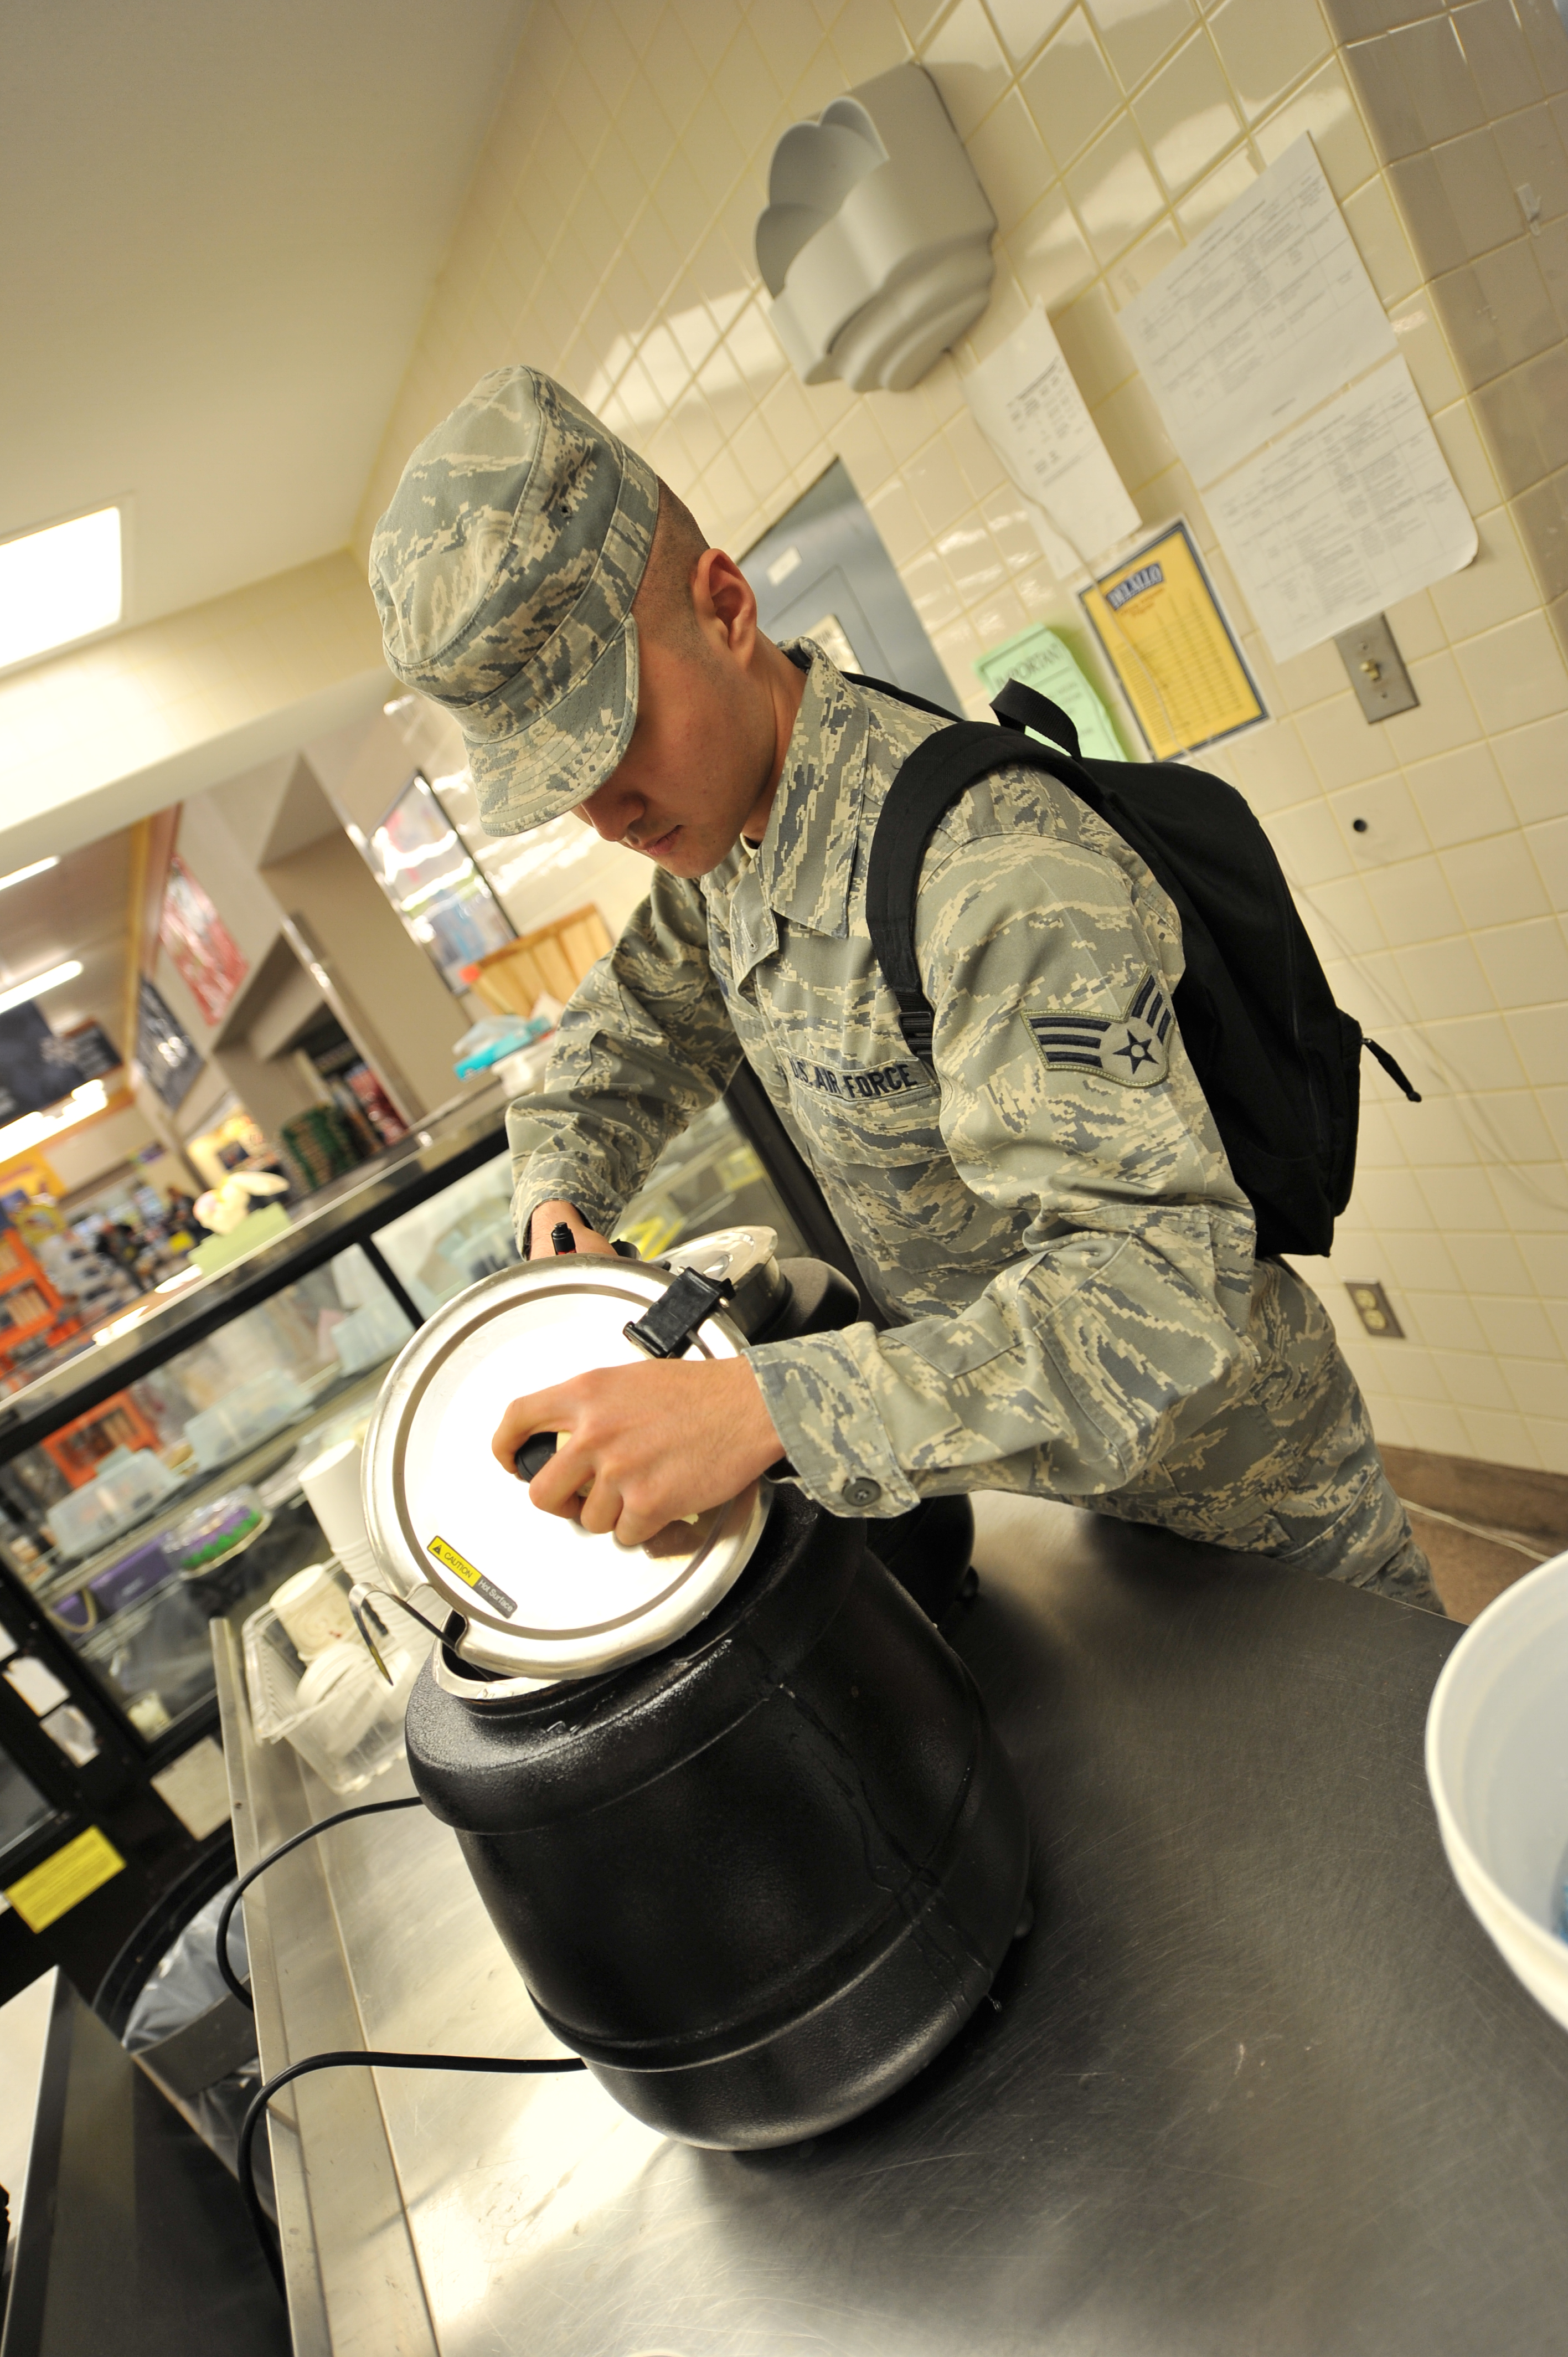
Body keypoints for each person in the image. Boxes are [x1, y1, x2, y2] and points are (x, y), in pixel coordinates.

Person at [370, 367, 1437, 1612]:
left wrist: (762, 1410)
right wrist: (563, 1196)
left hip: (1255, 1505)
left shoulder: (989, 873)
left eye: (610, 736)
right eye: (561, 779)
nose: (603, 809)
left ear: (725, 605)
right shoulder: (731, 854)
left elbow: (1149, 1291)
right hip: (1079, 1511)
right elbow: (630, 1030)